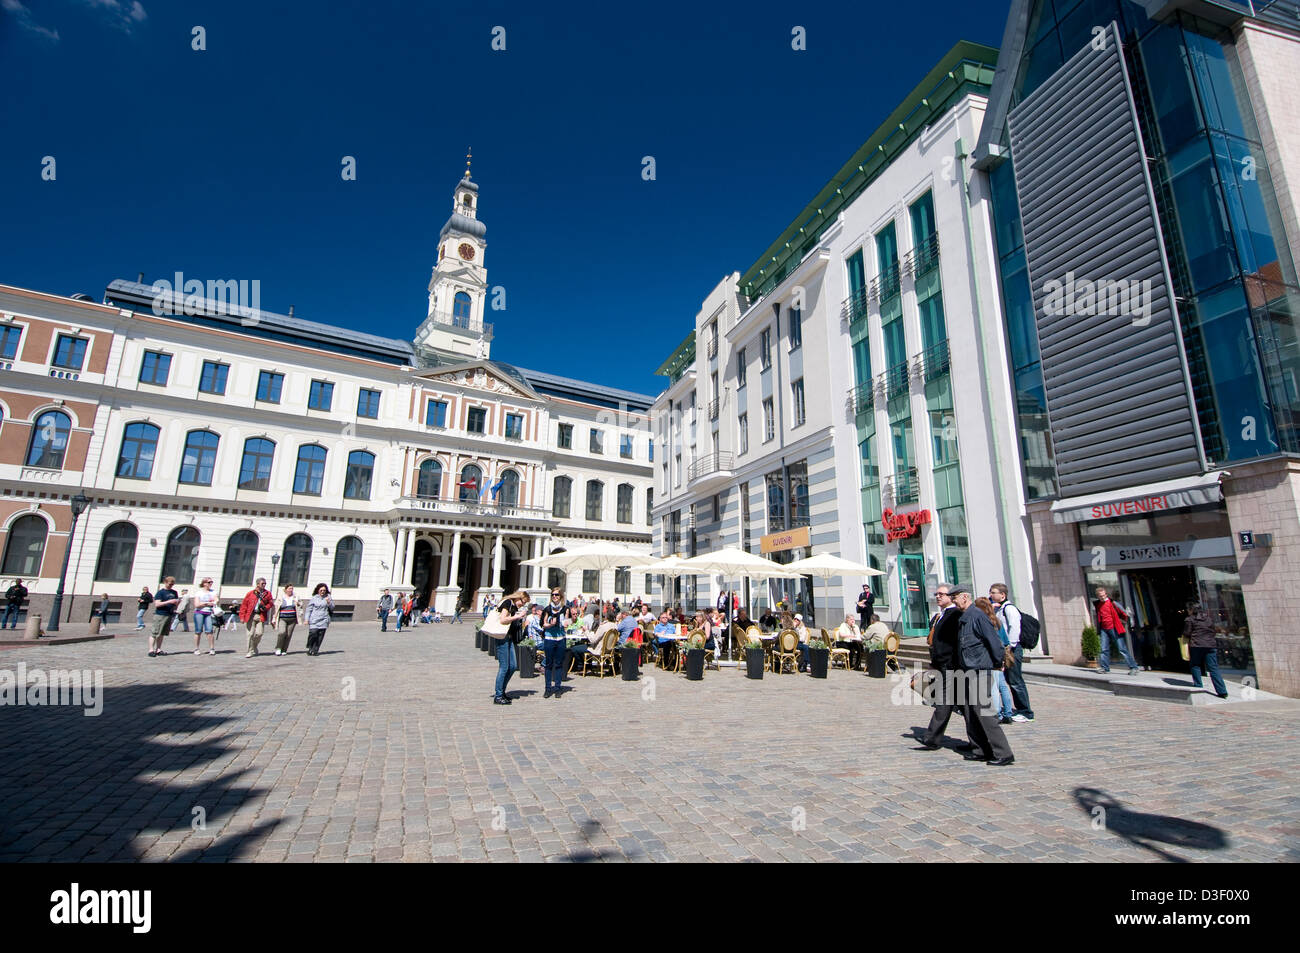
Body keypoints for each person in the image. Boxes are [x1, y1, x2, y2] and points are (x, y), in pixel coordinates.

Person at [951, 587, 1015, 766]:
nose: (953, 601)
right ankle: (980, 749)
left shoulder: (977, 616)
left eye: (955, 597)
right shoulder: (964, 617)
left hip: (979, 670)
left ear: (965, 597)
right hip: (967, 670)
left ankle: (1003, 752)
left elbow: (994, 642)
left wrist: (996, 663)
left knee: (985, 713)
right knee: (971, 712)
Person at [917, 584, 975, 752]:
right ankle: (933, 738)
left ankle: (934, 738)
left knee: (955, 703)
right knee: (950, 703)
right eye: (936, 594)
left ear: (951, 597)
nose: (938, 596)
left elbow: (955, 642)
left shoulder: (955, 614)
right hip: (944, 665)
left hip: (952, 666)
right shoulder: (940, 615)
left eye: (942, 594)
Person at [989, 583, 1034, 721]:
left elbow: (1014, 628)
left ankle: (1026, 712)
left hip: (1012, 649)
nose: (991, 595)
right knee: (1008, 680)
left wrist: (1010, 647)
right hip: (1006, 649)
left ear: (1002, 595)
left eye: (993, 592)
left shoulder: (1009, 609)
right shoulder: (999, 609)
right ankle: (1017, 709)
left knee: (1015, 680)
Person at [976, 597, 1015, 725]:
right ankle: (1008, 713)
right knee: (1002, 686)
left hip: (991, 656)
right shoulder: (996, 621)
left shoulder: (984, 621)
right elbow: (1005, 640)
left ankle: (997, 713)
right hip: (1000, 654)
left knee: (993, 686)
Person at [1183, 601, 1228, 698]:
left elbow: (1187, 633)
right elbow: (1213, 630)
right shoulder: (1208, 618)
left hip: (1196, 645)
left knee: (1195, 665)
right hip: (1210, 645)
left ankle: (1198, 686)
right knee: (1213, 668)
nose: (1187, 611)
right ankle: (1222, 691)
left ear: (1191, 609)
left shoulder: (1189, 620)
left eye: (1188, 609)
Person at [490, 590, 528, 705]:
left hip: (509, 637)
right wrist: (517, 617)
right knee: (504, 666)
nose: (522, 604)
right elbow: (502, 619)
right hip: (502, 637)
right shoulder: (507, 602)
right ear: (518, 597)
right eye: (523, 601)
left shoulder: (513, 606)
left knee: (513, 666)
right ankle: (498, 695)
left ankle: (502, 691)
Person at [1093, 586, 1138, 675]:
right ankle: (1105, 668)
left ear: (1106, 594)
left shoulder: (1112, 603)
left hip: (1114, 628)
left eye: (1104, 595)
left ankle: (1134, 667)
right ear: (1098, 596)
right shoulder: (1098, 605)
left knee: (1122, 648)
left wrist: (1121, 623)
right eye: (1100, 596)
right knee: (1104, 649)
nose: (1102, 597)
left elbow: (1123, 613)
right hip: (1104, 629)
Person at [540, 587, 569, 698]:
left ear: (560, 596)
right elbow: (543, 624)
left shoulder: (565, 609)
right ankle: (548, 688)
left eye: (556, 595)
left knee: (558, 664)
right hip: (549, 639)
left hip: (560, 638)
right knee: (548, 664)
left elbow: (567, 622)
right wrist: (551, 624)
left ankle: (557, 687)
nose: (554, 597)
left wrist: (567, 623)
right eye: (553, 595)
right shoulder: (547, 609)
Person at [239, 578, 274, 658]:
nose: (264, 585)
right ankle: (249, 651)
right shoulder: (250, 593)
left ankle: (254, 646)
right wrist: (242, 616)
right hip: (250, 615)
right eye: (262, 583)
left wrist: (266, 607)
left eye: (265, 583)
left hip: (260, 615)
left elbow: (271, 603)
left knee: (259, 633)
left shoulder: (267, 593)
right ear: (258, 584)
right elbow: (244, 605)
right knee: (250, 634)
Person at [148, 576, 180, 657]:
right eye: (169, 584)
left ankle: (158, 649)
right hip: (160, 614)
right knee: (155, 632)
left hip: (169, 614)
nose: (171, 586)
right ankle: (151, 650)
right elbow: (157, 604)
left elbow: (176, 602)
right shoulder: (160, 592)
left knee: (162, 633)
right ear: (165, 583)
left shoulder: (174, 592)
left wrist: (176, 604)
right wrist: (169, 601)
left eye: (172, 584)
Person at [304, 583, 334, 655]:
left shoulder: (328, 597)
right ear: (318, 590)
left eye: (324, 590)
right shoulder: (314, 598)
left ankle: (315, 650)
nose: (323, 592)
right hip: (314, 619)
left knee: (320, 636)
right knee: (313, 633)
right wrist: (306, 619)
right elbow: (309, 609)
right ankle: (310, 647)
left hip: (324, 619)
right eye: (321, 590)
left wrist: (329, 602)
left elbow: (332, 608)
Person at [274, 584, 302, 655]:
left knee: (288, 635)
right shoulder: (281, 596)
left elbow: (301, 605)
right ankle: (278, 648)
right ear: (286, 589)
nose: (291, 590)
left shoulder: (295, 597)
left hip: (292, 619)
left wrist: (298, 603)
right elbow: (276, 606)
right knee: (282, 632)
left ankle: (284, 650)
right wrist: (274, 616)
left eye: (292, 589)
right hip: (282, 618)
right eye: (289, 588)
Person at [192, 578, 218, 655]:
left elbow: (216, 600)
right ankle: (196, 648)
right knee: (198, 631)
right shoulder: (199, 593)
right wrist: (207, 603)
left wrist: (204, 603)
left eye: (211, 582)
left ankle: (212, 648)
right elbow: (197, 605)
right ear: (204, 583)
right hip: (199, 613)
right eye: (209, 582)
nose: (211, 583)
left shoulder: (213, 592)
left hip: (209, 613)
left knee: (209, 631)